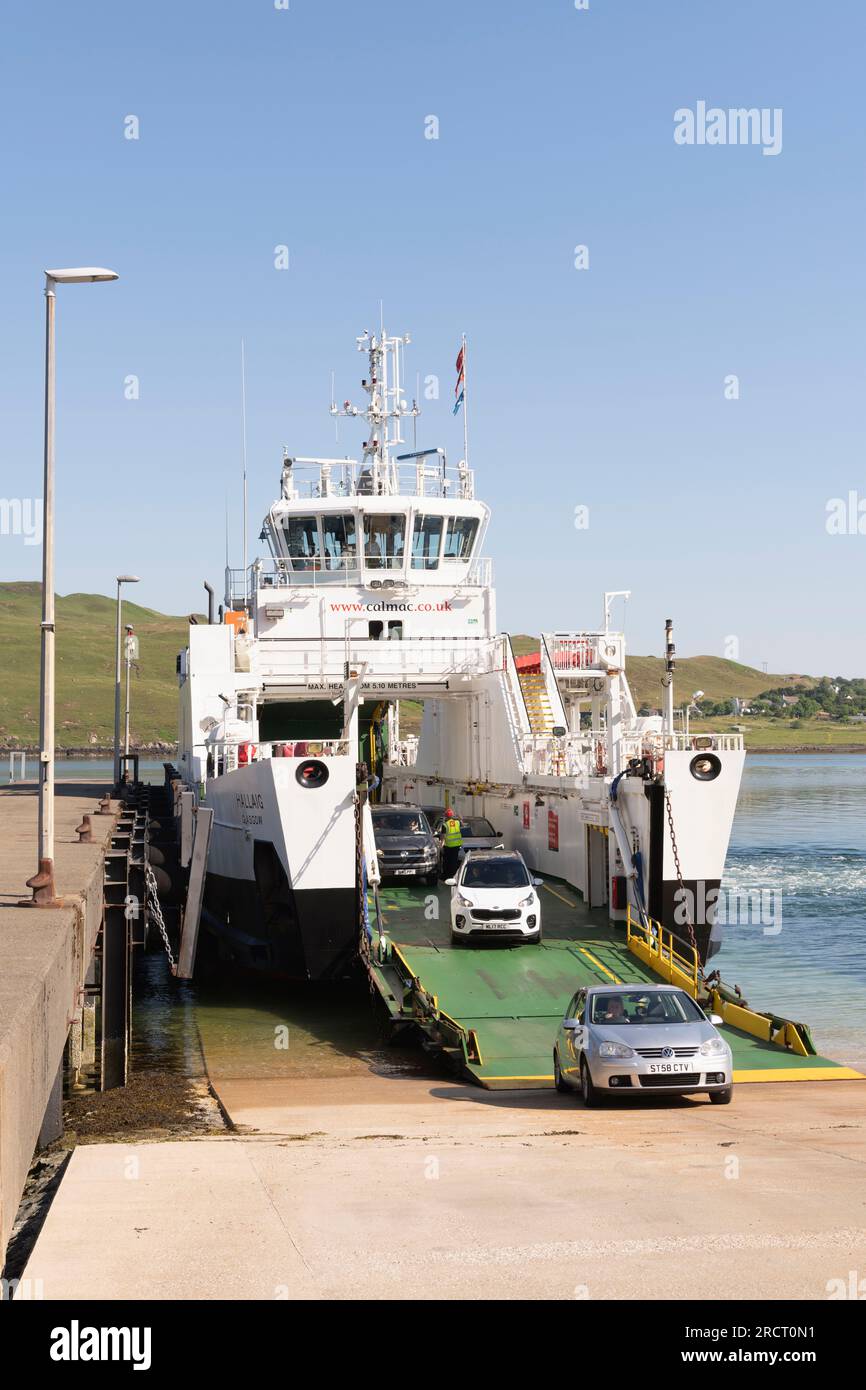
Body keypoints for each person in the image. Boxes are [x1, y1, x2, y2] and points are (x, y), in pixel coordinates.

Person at [441, 807, 463, 878]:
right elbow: (462, 823)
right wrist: (459, 818)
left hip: (448, 846)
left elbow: (443, 837)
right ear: (452, 815)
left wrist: (441, 847)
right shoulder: (457, 822)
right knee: (454, 861)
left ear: (446, 816)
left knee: (447, 861)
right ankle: (454, 875)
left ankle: (447, 876)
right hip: (456, 846)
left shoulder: (445, 825)